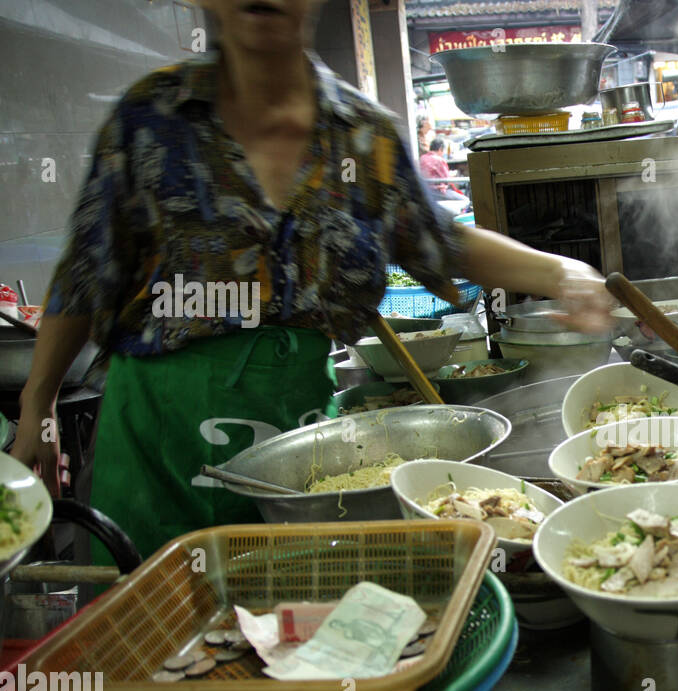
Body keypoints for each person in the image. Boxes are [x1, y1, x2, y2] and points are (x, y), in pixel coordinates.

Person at [11, 0, 613, 560]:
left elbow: (438, 237)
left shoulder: (362, 134)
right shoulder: (149, 118)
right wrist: (38, 400)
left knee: (291, 620)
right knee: (149, 638)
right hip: (154, 443)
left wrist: (562, 271)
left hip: (294, 441)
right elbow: (88, 267)